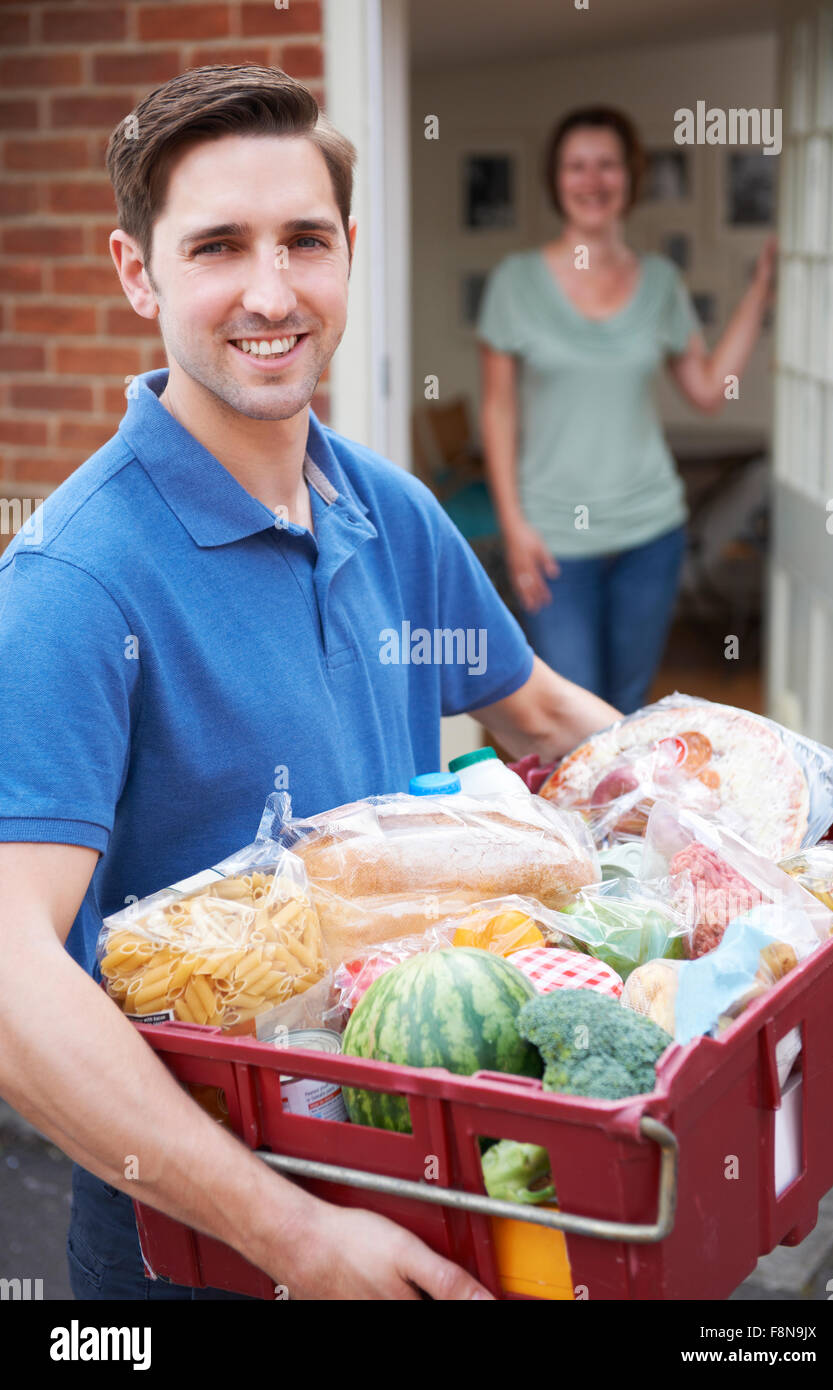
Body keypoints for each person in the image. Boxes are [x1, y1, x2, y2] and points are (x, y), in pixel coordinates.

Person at [0, 66, 620, 1302]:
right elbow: (11, 974)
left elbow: (546, 715)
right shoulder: (72, 583)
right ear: (139, 275)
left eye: (304, 241)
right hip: (198, 1247)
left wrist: (773, 856)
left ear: (346, 255)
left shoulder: (386, 509)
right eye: (219, 246)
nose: (271, 292)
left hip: (428, 1180)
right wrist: (291, 1238)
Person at [477, 106, 776, 714]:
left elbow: (710, 391)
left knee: (631, 709)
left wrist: (761, 287)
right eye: (576, 166)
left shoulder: (661, 283)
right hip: (554, 540)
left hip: (650, 531)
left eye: (607, 164)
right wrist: (513, 525)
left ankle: (624, 815)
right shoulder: (516, 283)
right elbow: (497, 410)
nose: (593, 180)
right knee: (575, 716)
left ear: (631, 177)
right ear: (556, 180)